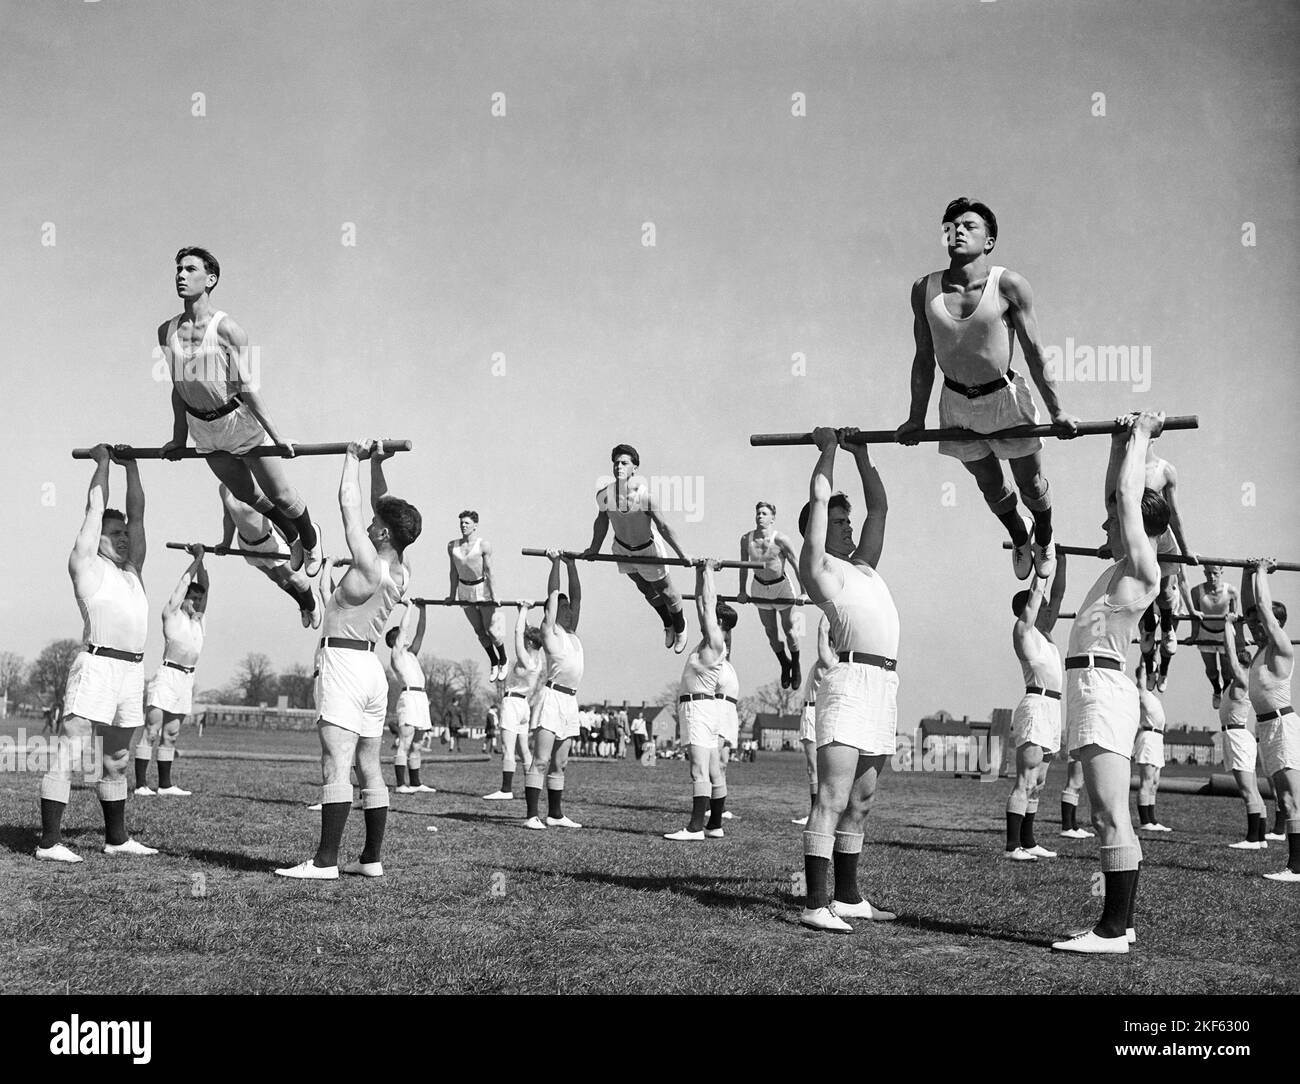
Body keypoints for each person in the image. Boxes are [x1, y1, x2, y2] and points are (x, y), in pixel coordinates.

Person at [897, 198, 1079, 581]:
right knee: (990, 486)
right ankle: (1019, 534)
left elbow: (1034, 351)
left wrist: (1058, 411)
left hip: (1005, 400)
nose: (958, 231)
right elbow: (923, 357)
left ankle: (1044, 534)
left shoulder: (1008, 284)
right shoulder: (923, 289)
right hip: (957, 403)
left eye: (968, 225)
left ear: (990, 240)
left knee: (1030, 484)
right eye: (951, 226)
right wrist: (916, 419)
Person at [275, 440, 421, 880]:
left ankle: (325, 862)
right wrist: (378, 464)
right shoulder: (401, 571)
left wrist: (351, 459)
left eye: (376, 524)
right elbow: (384, 508)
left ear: (381, 534)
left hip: (342, 665)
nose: (371, 525)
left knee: (336, 763)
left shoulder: (367, 562)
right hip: (372, 672)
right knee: (368, 765)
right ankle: (371, 858)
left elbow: (348, 504)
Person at [1051, 411, 1167, 954]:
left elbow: (1125, 500)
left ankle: (1112, 930)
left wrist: (1142, 437)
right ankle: (1122, 923)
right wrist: (1117, 444)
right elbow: (1115, 497)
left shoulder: (1143, 565)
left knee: (1108, 814)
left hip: (1102, 687)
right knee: (1108, 813)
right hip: (1092, 687)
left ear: (1138, 524)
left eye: (1116, 519)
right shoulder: (1120, 561)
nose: (1105, 525)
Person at [158, 247, 322, 575]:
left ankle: (310, 535)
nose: (180, 275)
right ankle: (289, 534)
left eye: (190, 270)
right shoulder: (166, 331)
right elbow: (179, 388)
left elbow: (247, 388)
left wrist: (277, 438)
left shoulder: (228, 330)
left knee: (282, 495)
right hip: (203, 428)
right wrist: (179, 439)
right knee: (247, 494)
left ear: (210, 279)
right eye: (178, 269)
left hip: (237, 421)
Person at [796, 427, 899, 932]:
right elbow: (819, 496)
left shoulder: (864, 566)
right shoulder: (820, 570)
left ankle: (849, 897)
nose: (848, 526)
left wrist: (863, 454)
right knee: (831, 799)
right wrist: (830, 449)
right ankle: (815, 904)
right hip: (848, 683)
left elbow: (879, 509)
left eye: (847, 519)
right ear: (817, 528)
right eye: (837, 521)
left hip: (883, 686)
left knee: (862, 800)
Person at [37, 445, 158, 862]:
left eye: (125, 535)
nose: (124, 540)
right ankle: (50, 843)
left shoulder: (133, 571)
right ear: (98, 538)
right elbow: (94, 508)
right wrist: (104, 464)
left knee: (118, 758)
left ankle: (117, 838)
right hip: (97, 664)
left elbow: (137, 513)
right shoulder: (87, 564)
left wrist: (133, 466)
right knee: (71, 749)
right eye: (115, 534)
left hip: (131, 672)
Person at [586, 444, 693, 653]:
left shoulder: (645, 496)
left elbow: (663, 526)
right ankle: (667, 623)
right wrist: (593, 548)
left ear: (634, 468)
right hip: (622, 549)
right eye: (616, 463)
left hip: (647, 550)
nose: (619, 467)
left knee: (667, 593)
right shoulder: (604, 495)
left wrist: (682, 554)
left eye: (624, 463)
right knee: (644, 588)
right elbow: (601, 522)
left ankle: (680, 626)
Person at [1005, 553, 1068, 860]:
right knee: (1026, 778)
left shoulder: (1048, 636)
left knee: (1039, 782)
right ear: (1027, 611)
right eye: (1039, 606)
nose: (1047, 609)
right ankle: (1012, 846)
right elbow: (1040, 596)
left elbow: (1056, 595)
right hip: (1035, 706)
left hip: (1053, 710)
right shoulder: (1024, 633)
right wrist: (1041, 571)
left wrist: (1061, 560)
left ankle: (1028, 842)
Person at [665, 561, 731, 842]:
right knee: (714, 769)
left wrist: (708, 571)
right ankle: (714, 824)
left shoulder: (716, 639)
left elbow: (707, 603)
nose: (707, 618)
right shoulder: (709, 641)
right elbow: (702, 605)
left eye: (713, 617)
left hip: (699, 709)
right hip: (705, 708)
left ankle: (694, 828)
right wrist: (698, 573)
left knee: (699, 769)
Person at [135, 545, 209, 797]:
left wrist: (204, 559)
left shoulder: (198, 621)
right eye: (193, 598)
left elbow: (205, 587)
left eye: (200, 600)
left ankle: (165, 785)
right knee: (152, 731)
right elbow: (181, 585)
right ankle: (141, 785)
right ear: (184, 599)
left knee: (171, 733)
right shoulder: (172, 615)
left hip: (186, 679)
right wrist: (196, 558)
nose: (197, 603)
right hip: (167, 676)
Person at [1242, 560, 1298, 881]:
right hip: (1266, 727)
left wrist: (1262, 570)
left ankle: (1297, 867)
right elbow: (1253, 606)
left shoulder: (1280, 645)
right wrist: (1249, 573)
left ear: (1275, 623)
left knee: (1291, 800)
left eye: (1259, 623)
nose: (1253, 627)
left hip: (1282, 725)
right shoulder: (1262, 649)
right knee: (1283, 798)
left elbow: (1261, 605)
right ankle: (1296, 865)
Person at [524, 551, 584, 830]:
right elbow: (553, 594)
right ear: (553, 611)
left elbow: (577, 595)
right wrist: (556, 563)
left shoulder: (573, 634)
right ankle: (532, 815)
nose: (570, 610)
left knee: (561, 763)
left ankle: (556, 814)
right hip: (551, 698)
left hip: (570, 701)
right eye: (564, 607)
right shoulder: (551, 631)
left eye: (570, 607)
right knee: (541, 760)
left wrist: (572, 566)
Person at [1136, 443, 1198, 691]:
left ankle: (1167, 625)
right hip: (1136, 536)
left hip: (1160, 536)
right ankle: (1150, 628)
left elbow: (1173, 512)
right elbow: (1115, 506)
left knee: (1162, 591)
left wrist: (1186, 550)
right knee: (1142, 591)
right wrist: (1111, 541)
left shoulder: (1165, 470)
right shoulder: (1124, 465)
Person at [216, 482, 319, 627]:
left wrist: (292, 541)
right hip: (247, 545)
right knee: (276, 578)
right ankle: (303, 604)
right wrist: (225, 543)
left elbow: (278, 515)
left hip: (269, 541)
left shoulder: (257, 484)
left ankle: (312, 604)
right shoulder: (223, 487)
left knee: (294, 579)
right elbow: (228, 516)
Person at [737, 502, 805, 688]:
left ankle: (796, 663)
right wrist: (742, 591)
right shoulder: (746, 539)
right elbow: (743, 567)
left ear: (772, 518)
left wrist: (804, 592)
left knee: (789, 630)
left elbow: (796, 564)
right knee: (770, 633)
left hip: (781, 587)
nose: (760, 516)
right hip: (759, 588)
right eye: (758, 513)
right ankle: (785, 663)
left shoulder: (781, 539)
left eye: (764, 513)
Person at [484, 604, 544, 800]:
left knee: (508, 749)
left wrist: (524, 611)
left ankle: (506, 789)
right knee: (523, 750)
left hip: (512, 704)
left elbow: (518, 633)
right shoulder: (538, 659)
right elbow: (526, 632)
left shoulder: (525, 659)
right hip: (524, 706)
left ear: (529, 643)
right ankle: (531, 787)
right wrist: (522, 612)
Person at [1221, 618, 1268, 849]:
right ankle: (1260, 838)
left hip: (1238, 737)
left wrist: (1227, 625)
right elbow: (1238, 649)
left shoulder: (1243, 679)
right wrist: (1237, 628)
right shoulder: (1241, 678)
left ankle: (1253, 838)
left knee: (1247, 789)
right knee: (1253, 788)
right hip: (1239, 736)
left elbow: (1231, 652)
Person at [447, 511, 507, 680]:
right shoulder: (452, 546)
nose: (463, 526)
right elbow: (453, 572)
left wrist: (495, 595)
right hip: (464, 590)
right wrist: (451, 596)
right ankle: (494, 662)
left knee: (492, 631)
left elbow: (489, 571)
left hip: (483, 589)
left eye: (466, 523)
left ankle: (503, 658)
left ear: (475, 525)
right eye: (461, 523)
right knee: (479, 630)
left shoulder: (483, 545)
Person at [792, 616, 836, 826]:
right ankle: (817, 813)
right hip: (816, 713)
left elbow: (822, 629)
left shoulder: (829, 660)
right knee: (815, 768)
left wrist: (828, 605)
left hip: (813, 713)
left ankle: (815, 815)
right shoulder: (834, 661)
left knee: (814, 767)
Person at [387, 601, 435, 795]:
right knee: (405, 742)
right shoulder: (396, 655)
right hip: (408, 698)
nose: (405, 637)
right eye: (401, 635)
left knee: (417, 744)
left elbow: (420, 632)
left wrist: (422, 610)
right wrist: (407, 607)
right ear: (396, 639)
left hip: (421, 699)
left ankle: (415, 783)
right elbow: (405, 629)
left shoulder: (412, 654)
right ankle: (400, 785)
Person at [1190, 564, 1239, 708]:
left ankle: (1226, 691)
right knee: (1211, 670)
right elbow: (1195, 617)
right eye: (1208, 573)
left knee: (1226, 670)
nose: (1212, 577)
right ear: (1204, 572)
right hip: (1206, 633)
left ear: (1221, 572)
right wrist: (1194, 635)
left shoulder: (1231, 591)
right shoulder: (1196, 591)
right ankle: (1217, 690)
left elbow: (1235, 618)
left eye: (1215, 573)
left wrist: (1240, 640)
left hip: (1225, 634)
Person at [1133, 658, 1171, 833]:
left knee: (1155, 782)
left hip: (1158, 739)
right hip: (1148, 737)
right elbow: (1142, 671)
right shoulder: (1141, 692)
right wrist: (1145, 654)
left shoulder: (1154, 696)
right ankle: (1145, 820)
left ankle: (1152, 820)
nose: (1155, 676)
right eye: (1151, 674)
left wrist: (1154, 655)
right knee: (1147, 781)